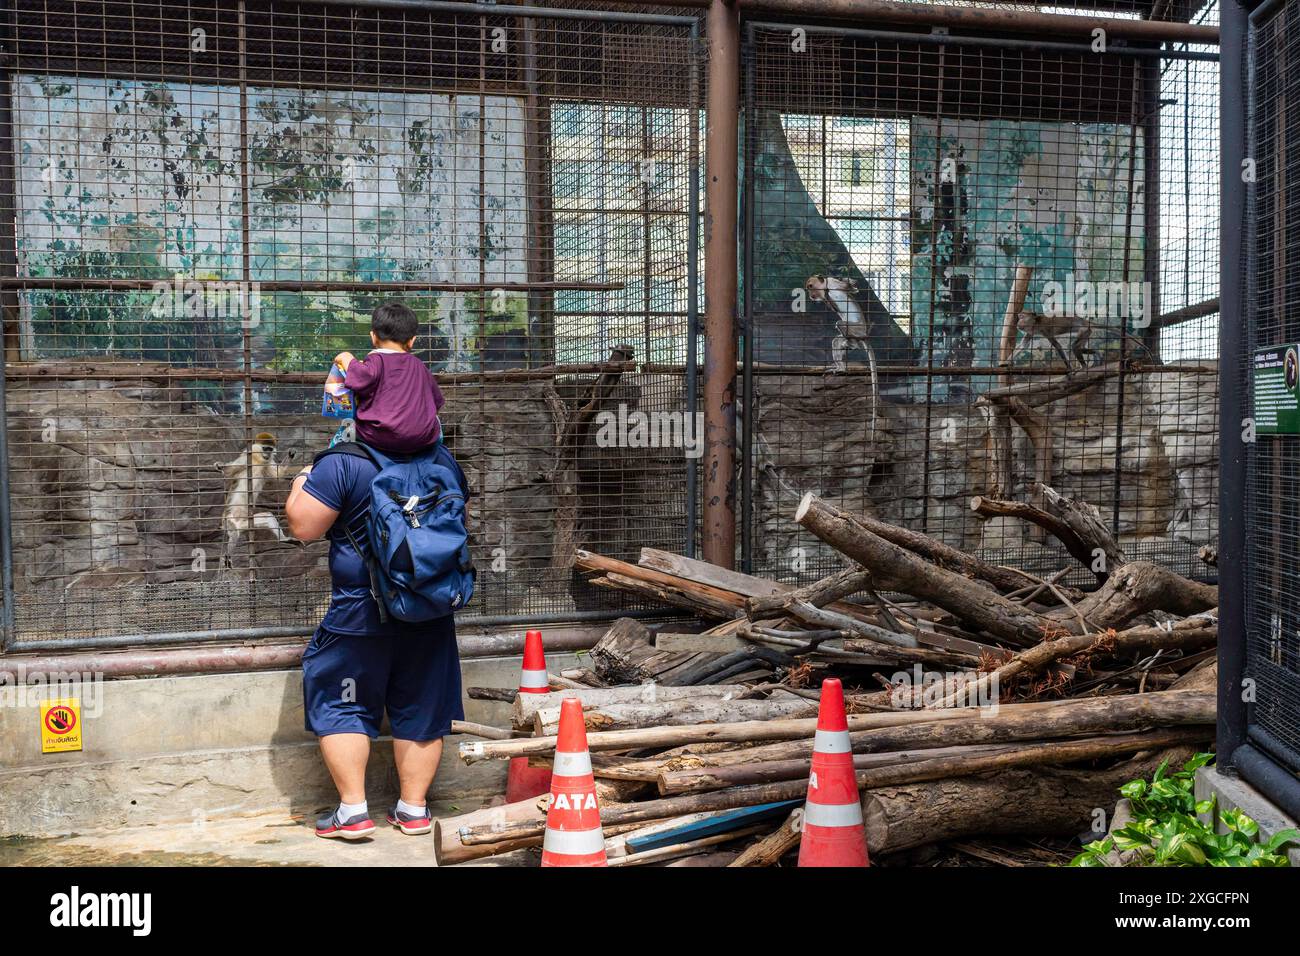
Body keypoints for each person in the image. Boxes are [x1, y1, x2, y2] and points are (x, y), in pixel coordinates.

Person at [284, 366, 464, 841]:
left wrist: (305, 476)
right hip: (429, 608)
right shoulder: (444, 460)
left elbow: (303, 527)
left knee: (342, 702)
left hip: (359, 614)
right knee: (422, 705)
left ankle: (353, 811)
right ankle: (414, 810)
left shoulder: (344, 461)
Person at [331, 300, 445, 454]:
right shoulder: (420, 366)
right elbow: (436, 403)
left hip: (379, 439)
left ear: (373, 337)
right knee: (436, 422)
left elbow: (360, 375)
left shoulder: (376, 360)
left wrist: (346, 357)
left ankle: (335, 451)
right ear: (412, 341)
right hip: (420, 440)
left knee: (347, 424)